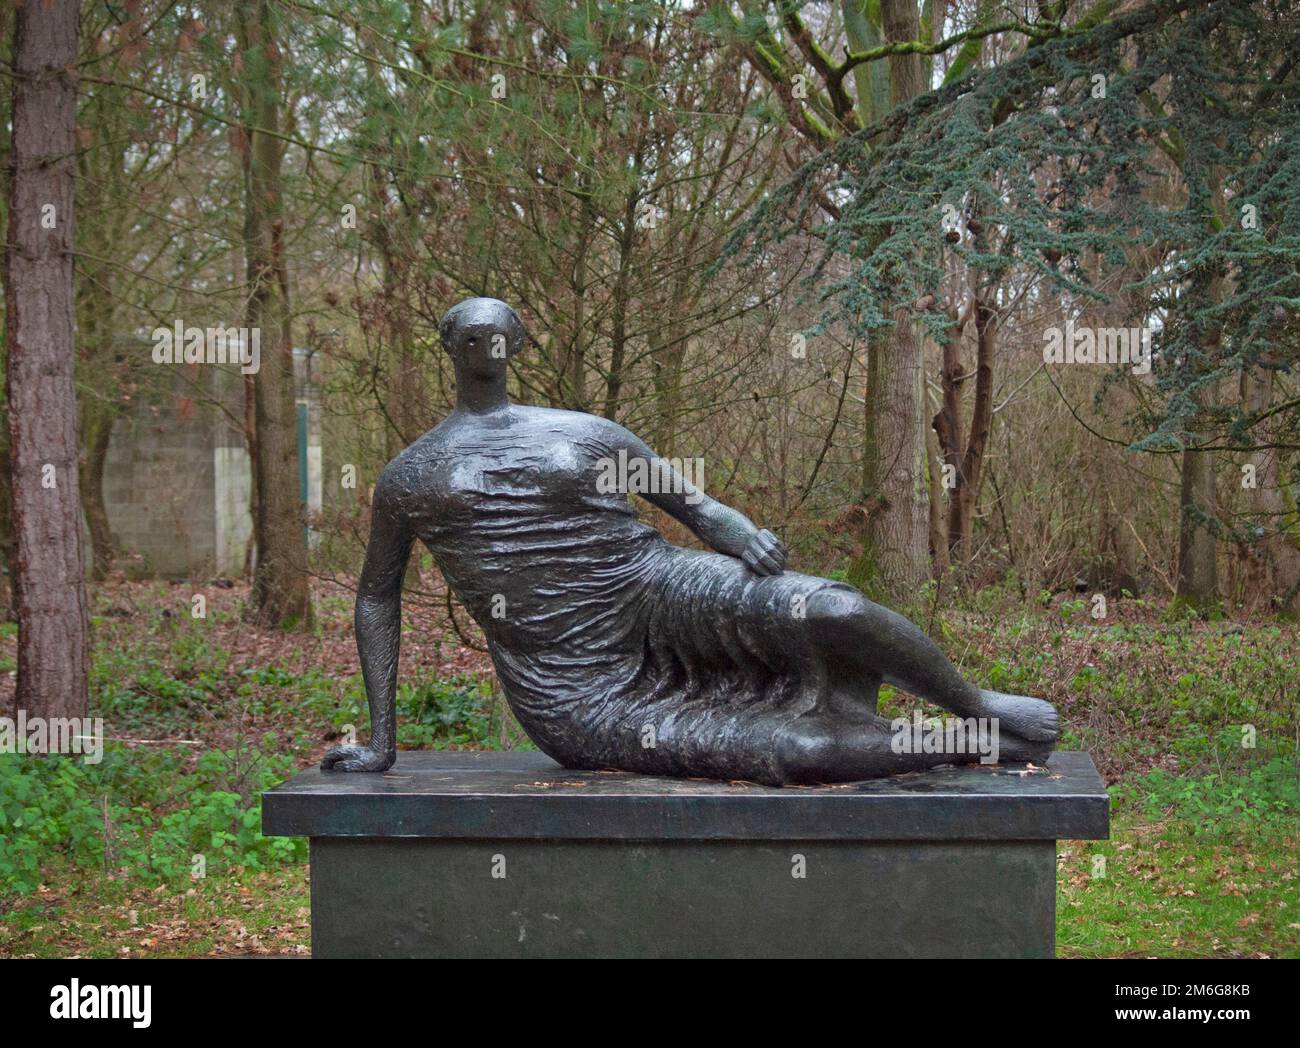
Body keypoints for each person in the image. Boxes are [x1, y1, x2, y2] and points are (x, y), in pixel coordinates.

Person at [323, 298, 1058, 784]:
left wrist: (747, 540)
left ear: (517, 343)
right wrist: (383, 743)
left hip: (651, 586)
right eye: (471, 330)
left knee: (825, 608)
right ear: (448, 343)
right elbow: (375, 599)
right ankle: (958, 743)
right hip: (571, 683)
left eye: (500, 329)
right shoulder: (411, 475)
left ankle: (974, 706)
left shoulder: (583, 434)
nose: (487, 341)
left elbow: (697, 506)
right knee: (793, 752)